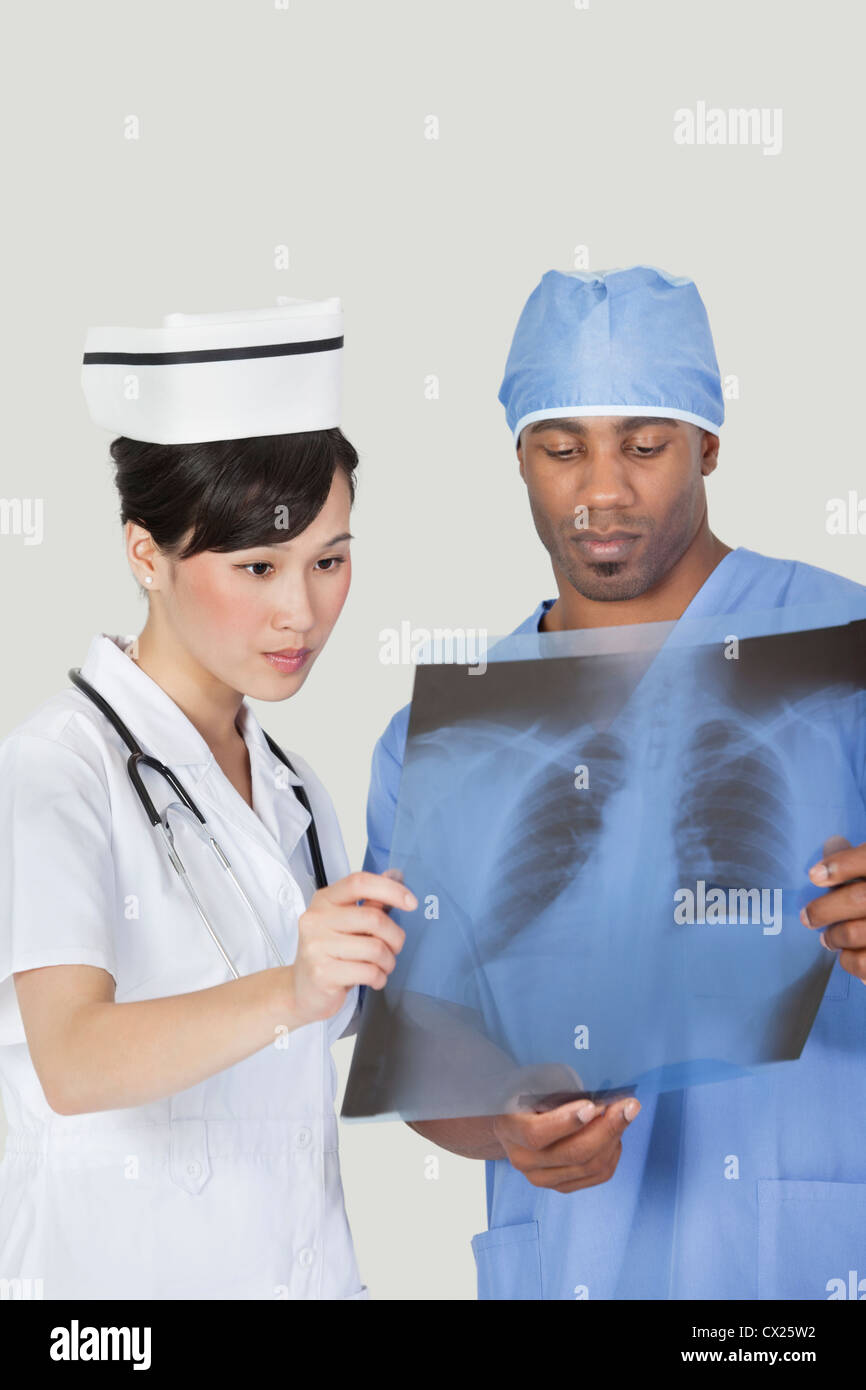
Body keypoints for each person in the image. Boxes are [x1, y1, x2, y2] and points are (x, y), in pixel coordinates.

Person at [362, 266, 866, 1300]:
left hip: (806, 1257)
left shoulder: (840, 657)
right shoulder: (441, 736)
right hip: (571, 1261)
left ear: (708, 446)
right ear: (517, 458)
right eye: (561, 449)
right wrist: (505, 1130)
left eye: (643, 446)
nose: (600, 490)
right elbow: (420, 1051)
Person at [0, 299, 415, 1300]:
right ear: (146, 553)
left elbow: (350, 1042)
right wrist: (292, 990)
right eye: (257, 567)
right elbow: (73, 1057)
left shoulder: (295, 790)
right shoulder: (56, 768)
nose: (301, 610)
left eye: (330, 558)